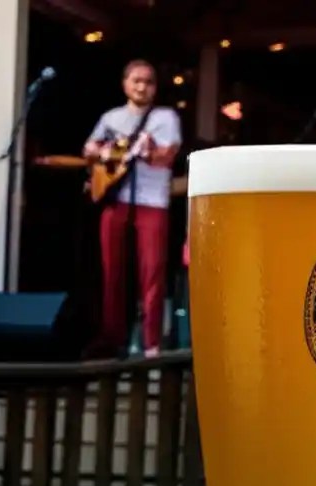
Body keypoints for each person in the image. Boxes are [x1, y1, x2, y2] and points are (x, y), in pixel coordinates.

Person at [83, 59, 182, 358]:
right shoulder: (111, 117)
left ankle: (151, 344)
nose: (142, 86)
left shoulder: (165, 117)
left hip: (152, 201)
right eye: (136, 80)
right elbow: (89, 149)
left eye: (148, 81)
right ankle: (112, 339)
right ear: (125, 83)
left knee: (152, 271)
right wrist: (107, 153)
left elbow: (168, 154)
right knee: (111, 270)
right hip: (117, 199)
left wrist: (146, 151)